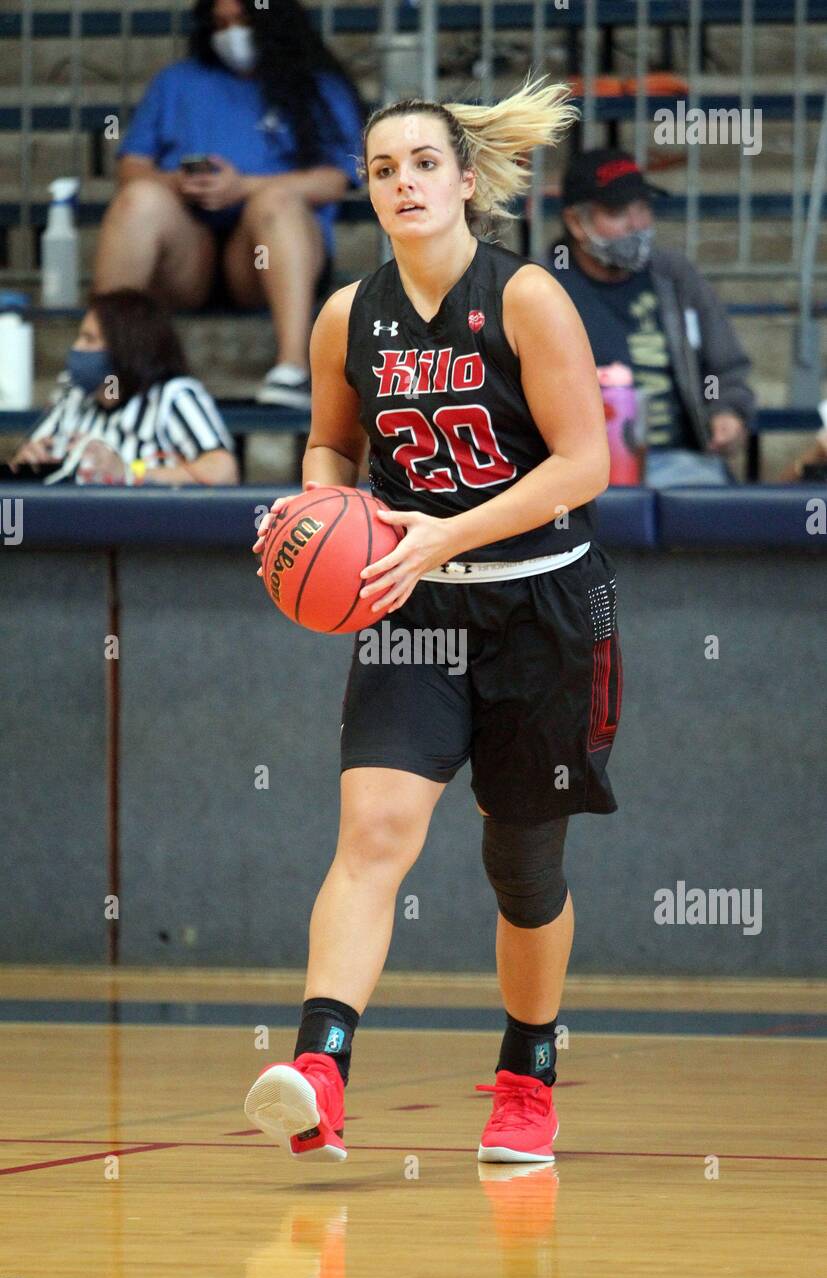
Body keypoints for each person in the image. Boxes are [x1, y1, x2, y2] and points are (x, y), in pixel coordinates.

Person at [245, 75, 623, 1165]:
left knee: (522, 871)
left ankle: (526, 1069)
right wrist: (321, 508)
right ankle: (318, 1067)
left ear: (465, 181)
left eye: (422, 163)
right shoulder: (341, 315)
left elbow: (583, 464)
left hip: (546, 605)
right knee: (370, 834)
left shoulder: (524, 299)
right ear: (367, 192)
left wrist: (442, 534)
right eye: (381, 169)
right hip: (410, 610)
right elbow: (330, 446)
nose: (402, 182)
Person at [93, 0, 364, 408]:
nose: (231, 33)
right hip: (190, 257)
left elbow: (337, 179)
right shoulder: (176, 82)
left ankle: (292, 369)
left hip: (268, 258)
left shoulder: (318, 85)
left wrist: (243, 187)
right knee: (138, 200)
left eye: (242, 20)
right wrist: (179, 184)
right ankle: (99, 360)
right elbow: (131, 168)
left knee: (276, 200)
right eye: (220, 24)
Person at [549, 148, 756, 487]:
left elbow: (724, 368)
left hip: (682, 464)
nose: (637, 225)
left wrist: (726, 412)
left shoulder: (675, 276)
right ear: (576, 222)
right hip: (580, 472)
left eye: (643, 208)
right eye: (618, 212)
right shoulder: (541, 284)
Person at [8, 290, 237, 485]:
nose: (76, 348)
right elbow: (28, 462)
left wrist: (130, 474)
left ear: (124, 347)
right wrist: (26, 464)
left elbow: (223, 471)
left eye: (89, 339)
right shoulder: (73, 398)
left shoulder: (173, 396)